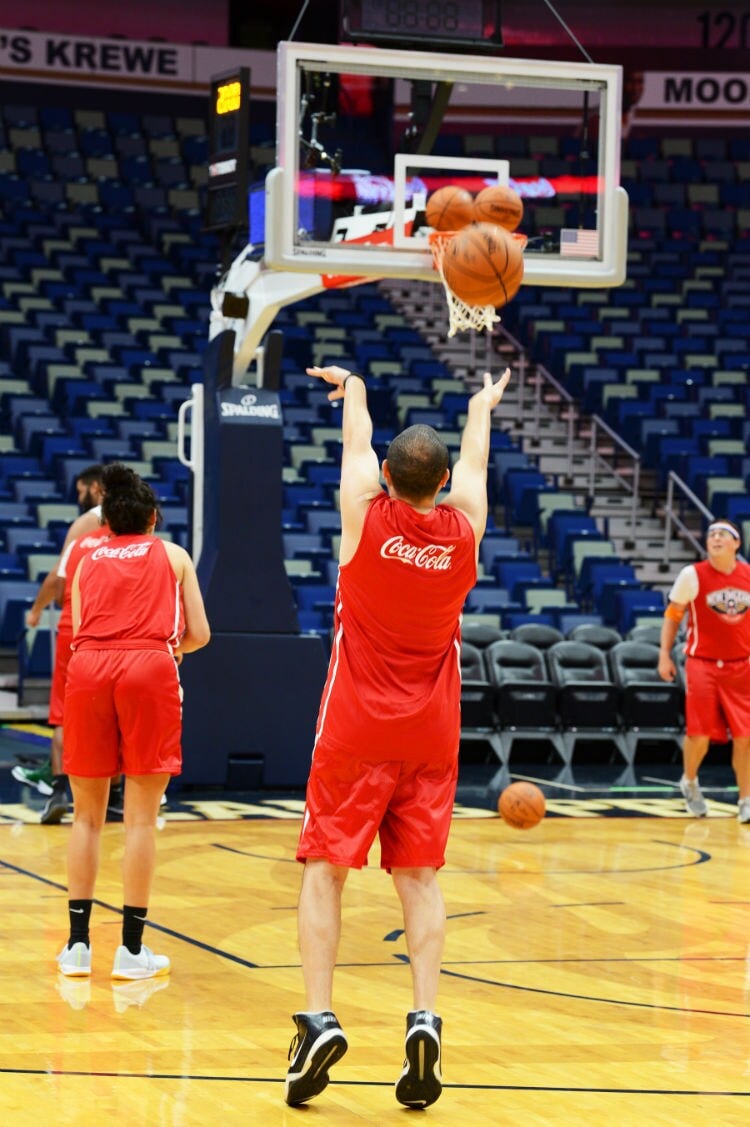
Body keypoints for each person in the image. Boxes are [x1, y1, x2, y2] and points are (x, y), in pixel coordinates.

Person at [283, 363, 512, 1109]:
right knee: (419, 878)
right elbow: (476, 459)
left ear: (386, 476)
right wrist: (481, 405)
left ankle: (319, 1020)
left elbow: (356, 440)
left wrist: (353, 387)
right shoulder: (466, 529)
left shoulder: (363, 514)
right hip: (431, 727)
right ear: (442, 483)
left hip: (357, 722)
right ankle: (424, 1017)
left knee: (325, 868)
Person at [56, 463, 210, 981]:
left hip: (88, 669)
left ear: (109, 522)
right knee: (141, 819)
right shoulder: (174, 555)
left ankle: (77, 947)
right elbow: (200, 633)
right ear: (152, 519)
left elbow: (83, 627)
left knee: (86, 817)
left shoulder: (85, 560)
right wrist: (170, 649)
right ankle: (131, 951)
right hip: (148, 667)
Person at [14, 465, 107, 822]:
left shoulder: (86, 528)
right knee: (109, 715)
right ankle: (117, 793)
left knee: (64, 714)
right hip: (117, 633)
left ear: (96, 488)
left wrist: (37, 610)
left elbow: (58, 579)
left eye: (81, 489)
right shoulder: (140, 532)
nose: (78, 495)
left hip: (79, 627)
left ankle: (58, 788)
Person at [658, 519, 750, 824]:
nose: (716, 538)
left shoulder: (748, 575)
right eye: (711, 534)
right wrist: (664, 655)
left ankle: (746, 799)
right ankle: (690, 780)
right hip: (703, 664)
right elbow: (673, 615)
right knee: (699, 735)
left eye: (723, 534)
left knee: (746, 736)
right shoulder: (692, 575)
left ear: (737, 543)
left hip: (742, 666)